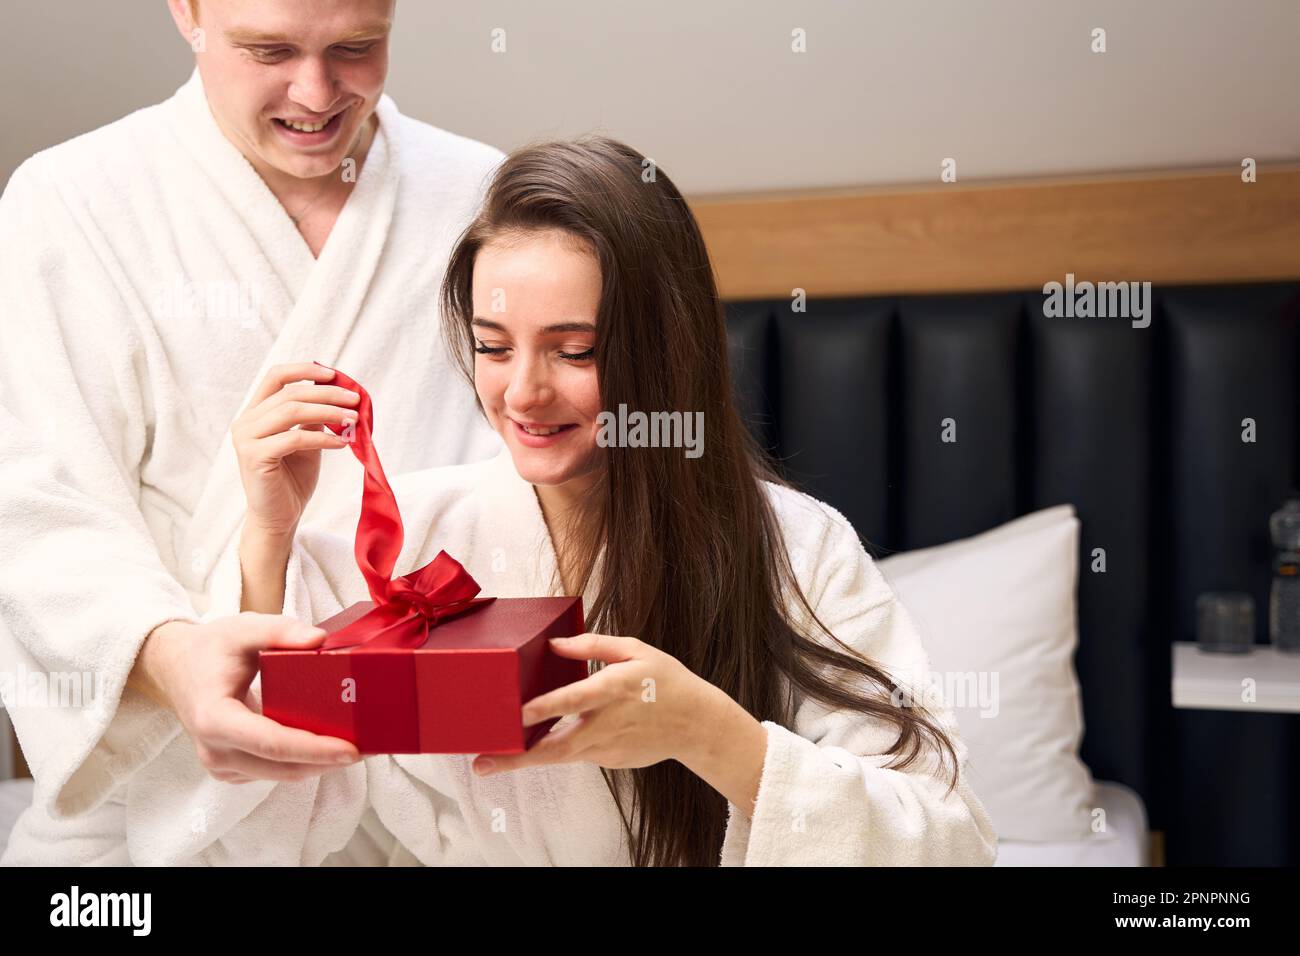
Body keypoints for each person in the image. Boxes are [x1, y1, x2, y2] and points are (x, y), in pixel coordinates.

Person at [112, 137, 999, 866]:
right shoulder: (413, 544)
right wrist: (266, 538)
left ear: (666, 350)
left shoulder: (796, 550)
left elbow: (949, 842)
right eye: (495, 347)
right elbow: (268, 830)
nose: (523, 394)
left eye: (575, 352)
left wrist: (712, 734)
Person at [0, 0, 504, 865]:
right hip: (161, 802)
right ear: (188, 10)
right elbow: (38, 508)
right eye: (267, 50)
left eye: (357, 46)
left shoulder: (475, 194)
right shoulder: (68, 203)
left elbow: (542, 483)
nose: (315, 92)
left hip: (449, 788)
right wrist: (173, 663)